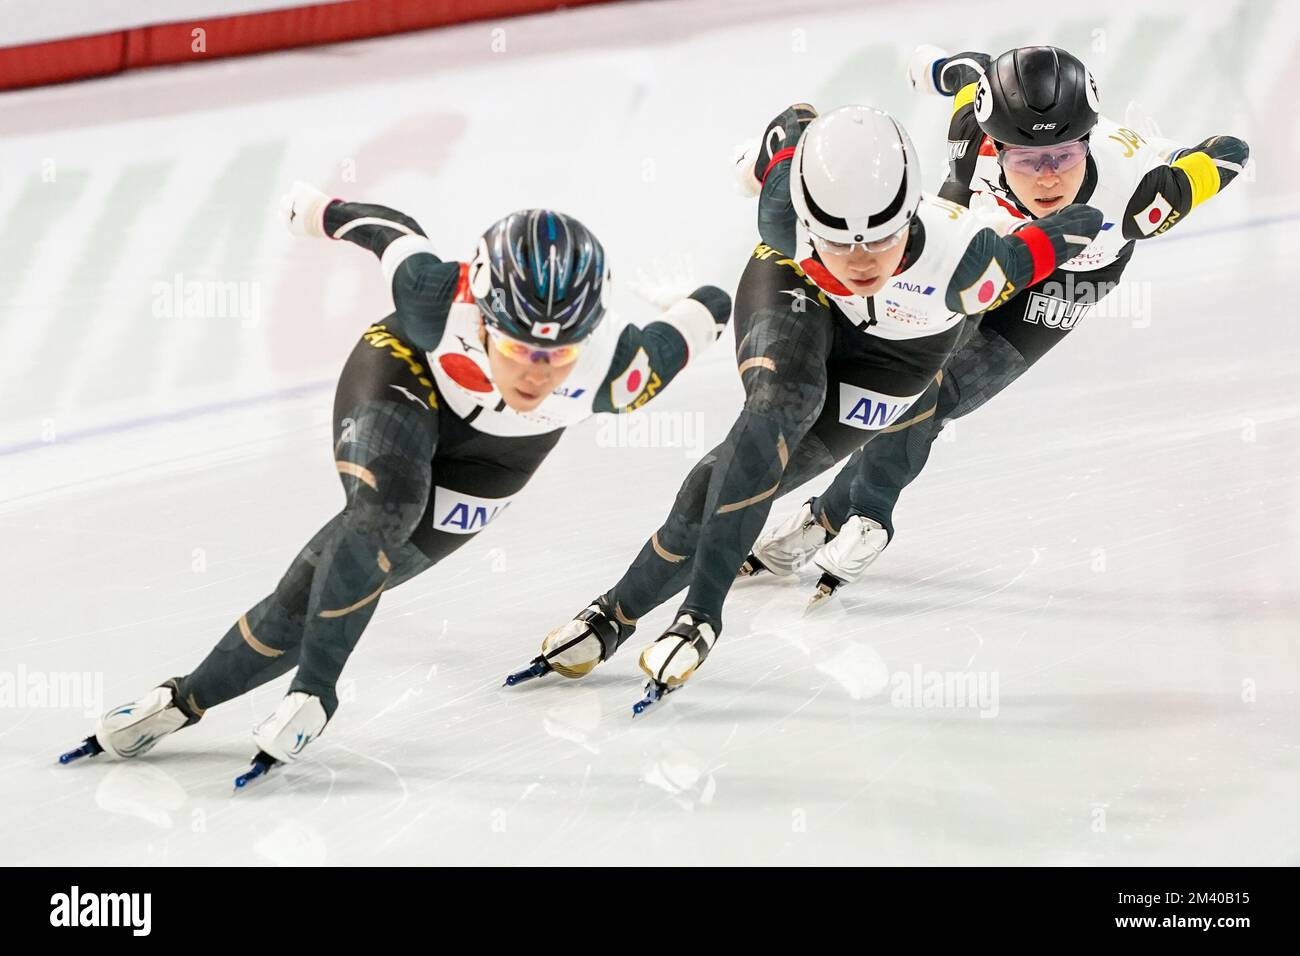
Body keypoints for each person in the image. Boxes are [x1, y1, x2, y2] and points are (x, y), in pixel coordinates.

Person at [61, 183, 731, 779]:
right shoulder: (434, 298)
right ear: (483, 315)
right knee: (386, 512)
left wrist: (691, 297)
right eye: (522, 349)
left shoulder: (621, 373)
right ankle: (313, 693)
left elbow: (708, 312)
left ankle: (183, 700)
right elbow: (387, 230)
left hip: (497, 459)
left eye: (558, 355)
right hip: (402, 380)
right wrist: (320, 213)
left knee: (337, 585)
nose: (538, 374)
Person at [509, 104, 1103, 709]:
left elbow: (1080, 223)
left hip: (897, 359)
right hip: (799, 291)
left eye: (881, 238)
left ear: (910, 214)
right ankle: (699, 616)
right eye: (841, 242)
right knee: (779, 408)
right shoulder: (782, 215)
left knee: (719, 481)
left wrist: (1067, 231)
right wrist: (775, 150)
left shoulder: (970, 264)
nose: (862, 261)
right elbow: (795, 120)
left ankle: (614, 614)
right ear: (808, 217)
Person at [749, 45, 1250, 602]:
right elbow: (971, 71)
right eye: (1025, 158)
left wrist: (1186, 159)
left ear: (1086, 140)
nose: (1046, 177)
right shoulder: (970, 135)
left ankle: (836, 517)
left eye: (1062, 155)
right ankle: (844, 515)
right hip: (989, 245)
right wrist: (940, 69)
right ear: (994, 144)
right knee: (910, 381)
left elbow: (1232, 150)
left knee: (942, 398)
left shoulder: (1144, 196)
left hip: (1075, 271)